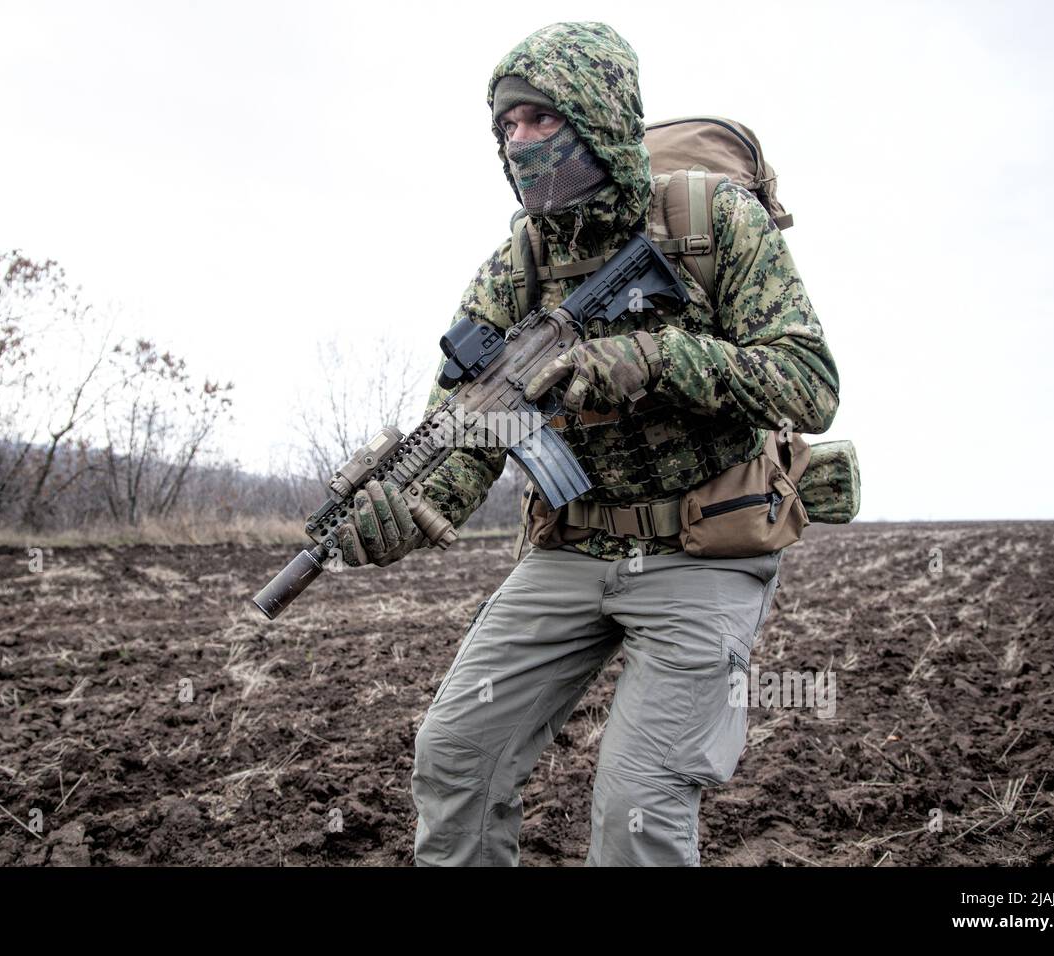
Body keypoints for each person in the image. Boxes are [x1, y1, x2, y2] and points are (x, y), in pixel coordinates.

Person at [334, 21, 839, 866]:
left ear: (599, 116)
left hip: (701, 549)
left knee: (635, 804)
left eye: (541, 119)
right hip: (572, 544)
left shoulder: (712, 219)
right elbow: (467, 431)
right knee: (456, 754)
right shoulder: (518, 265)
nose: (521, 140)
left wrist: (651, 359)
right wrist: (407, 507)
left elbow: (808, 382)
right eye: (507, 126)